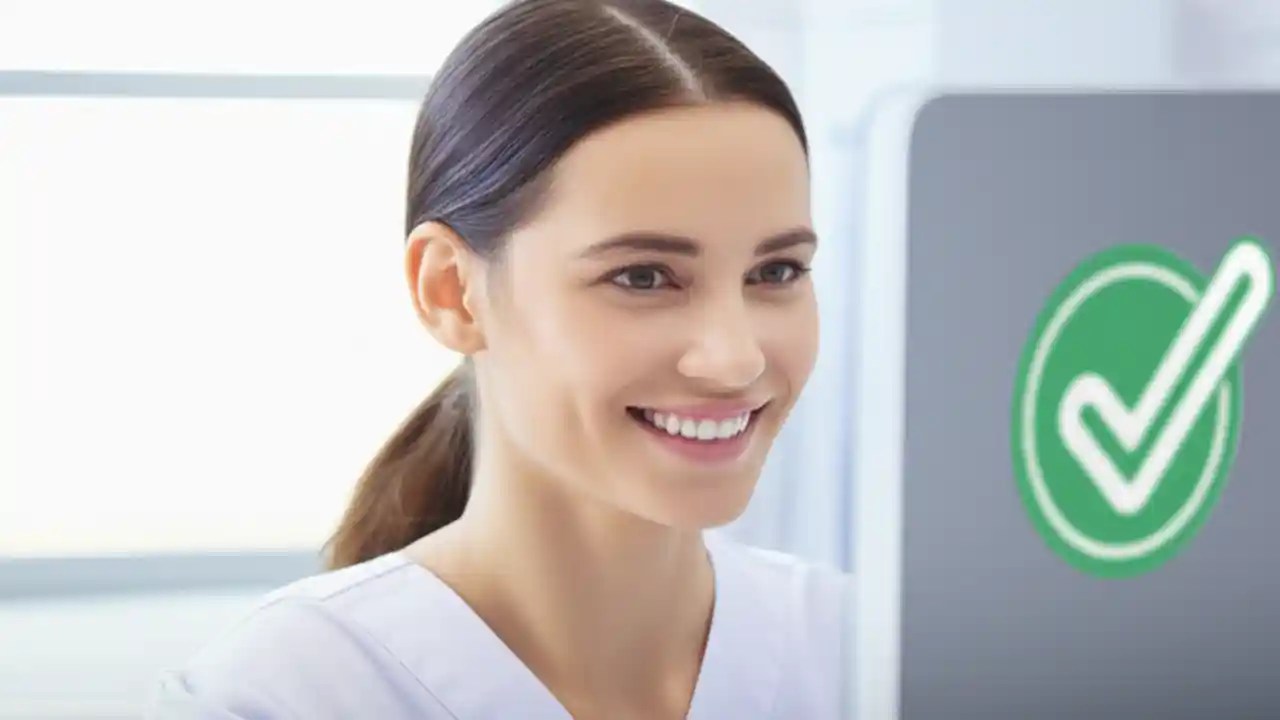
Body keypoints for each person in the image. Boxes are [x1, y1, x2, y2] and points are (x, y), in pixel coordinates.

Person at [148, 0, 853, 717]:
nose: (734, 361)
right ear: (451, 291)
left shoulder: (870, 651)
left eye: (777, 272)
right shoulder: (285, 695)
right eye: (643, 276)